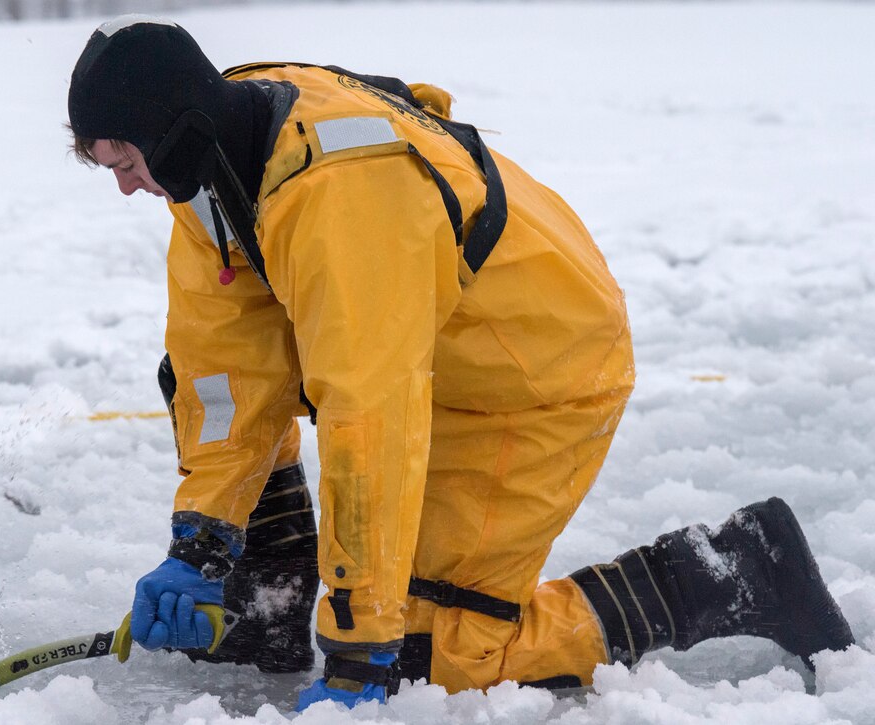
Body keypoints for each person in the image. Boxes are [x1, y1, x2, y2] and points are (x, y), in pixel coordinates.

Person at [65, 16, 855, 710]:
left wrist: (358, 645)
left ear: (169, 130)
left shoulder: (343, 197)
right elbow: (222, 377)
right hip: (439, 359)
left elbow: (369, 420)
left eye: (126, 161)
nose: (128, 188)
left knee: (435, 659)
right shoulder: (218, 159)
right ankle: (271, 595)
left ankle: (734, 569)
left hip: (535, 375)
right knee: (201, 374)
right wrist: (201, 544)